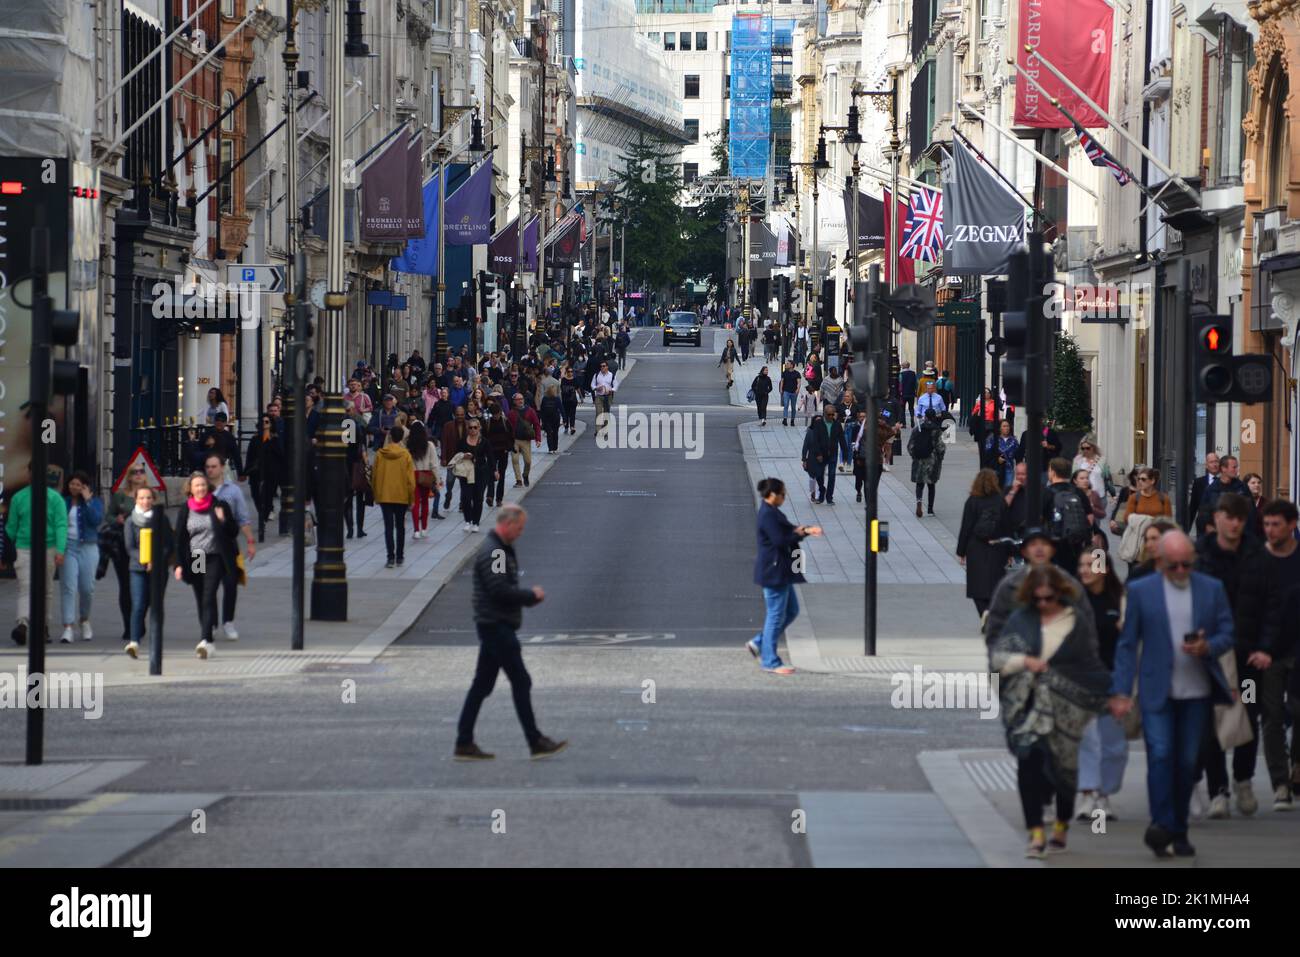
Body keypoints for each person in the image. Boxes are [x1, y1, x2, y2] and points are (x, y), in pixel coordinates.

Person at [1109, 530, 1236, 858]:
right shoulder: (1140, 591)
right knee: (1162, 756)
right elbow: (1126, 645)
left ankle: (1178, 828)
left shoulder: (1211, 588)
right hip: (1156, 691)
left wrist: (1208, 646)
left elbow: (1227, 632)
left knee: (1186, 763)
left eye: (1186, 564)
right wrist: (1121, 691)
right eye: (1174, 566)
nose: (1181, 571)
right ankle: (1162, 824)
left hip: (1197, 692)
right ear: (1160, 562)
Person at [990, 563, 1111, 857]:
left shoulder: (1076, 621)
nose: (1043, 604)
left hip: (1067, 707)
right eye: (1038, 599)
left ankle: (1061, 823)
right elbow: (999, 658)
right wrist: (1025, 662)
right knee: (1029, 766)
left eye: (1049, 598)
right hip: (1029, 705)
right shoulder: (1021, 619)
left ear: (1060, 594)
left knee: (1064, 771)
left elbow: (1090, 662)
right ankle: (1035, 833)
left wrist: (1111, 694)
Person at [453, 504, 566, 760]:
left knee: (482, 685)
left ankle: (464, 741)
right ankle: (535, 740)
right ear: (507, 523)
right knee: (521, 680)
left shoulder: (501, 549)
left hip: (493, 623)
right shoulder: (496, 554)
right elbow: (499, 590)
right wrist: (530, 596)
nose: (521, 533)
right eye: (519, 527)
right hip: (496, 625)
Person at [1193, 492, 1262, 818]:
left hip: (1248, 654)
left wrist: (1266, 645)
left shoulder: (1256, 554)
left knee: (1247, 714)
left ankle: (1244, 778)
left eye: (1239, 518)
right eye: (1228, 516)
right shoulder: (1200, 555)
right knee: (1211, 719)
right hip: (1212, 654)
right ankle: (1217, 788)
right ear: (1216, 518)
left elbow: (1271, 603)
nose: (1233, 523)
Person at [1235, 498, 1300, 811]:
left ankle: (1297, 766)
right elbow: (1249, 607)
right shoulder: (1257, 560)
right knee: (1271, 717)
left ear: (1292, 525)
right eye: (1267, 524)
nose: (1270, 530)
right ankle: (1280, 784)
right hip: (1268, 651)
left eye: (1276, 524)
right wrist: (1254, 647)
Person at [746, 478, 823, 675]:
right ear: (773, 495)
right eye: (782, 493)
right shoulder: (768, 515)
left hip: (780, 571)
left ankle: (759, 642)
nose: (784, 496)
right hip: (774, 571)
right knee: (776, 615)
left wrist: (804, 530)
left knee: (791, 611)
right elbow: (780, 539)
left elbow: (788, 529)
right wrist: (801, 533)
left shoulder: (772, 511)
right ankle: (770, 660)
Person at [1074, 549, 1128, 823]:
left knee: (1113, 744)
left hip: (1112, 679)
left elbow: (1128, 646)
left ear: (1104, 568)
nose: (1084, 570)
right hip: (1081, 681)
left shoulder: (1119, 601)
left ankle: (1104, 795)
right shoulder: (1073, 602)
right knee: (1086, 741)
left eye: (1090, 565)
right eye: (1081, 565)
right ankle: (1087, 793)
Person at [984, 527, 1096, 648]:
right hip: (1020, 659)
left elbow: (1086, 622)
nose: (1039, 549)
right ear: (1024, 552)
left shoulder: (1069, 584)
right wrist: (1000, 660)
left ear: (1053, 550)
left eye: (1044, 544)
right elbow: (995, 626)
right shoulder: (1009, 585)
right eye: (1033, 544)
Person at [173, 472, 240, 660]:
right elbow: (179, 539)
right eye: (197, 486)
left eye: (203, 485)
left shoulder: (219, 505)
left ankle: (205, 640)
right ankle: (208, 632)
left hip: (216, 556)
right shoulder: (186, 508)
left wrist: (223, 520)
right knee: (201, 596)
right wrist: (178, 564)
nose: (200, 489)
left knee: (209, 595)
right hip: (197, 556)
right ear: (190, 489)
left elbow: (234, 531)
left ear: (208, 486)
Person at [204, 452, 254, 642]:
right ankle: (212, 623)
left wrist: (250, 542)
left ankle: (228, 622)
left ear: (222, 467)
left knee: (230, 584)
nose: (210, 470)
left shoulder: (233, 491)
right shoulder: (201, 489)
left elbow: (243, 518)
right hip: (204, 548)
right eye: (208, 466)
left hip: (228, 546)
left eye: (214, 466)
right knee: (207, 587)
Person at [104, 461, 153, 645]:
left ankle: (139, 620)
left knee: (146, 589)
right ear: (129, 476)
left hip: (146, 545)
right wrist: (115, 519)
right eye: (134, 472)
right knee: (126, 587)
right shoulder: (120, 496)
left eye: (141, 471)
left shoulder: (150, 495)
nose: (138, 475)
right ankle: (128, 626)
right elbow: (107, 516)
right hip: (122, 547)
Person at [122, 485, 168, 659]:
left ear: (153, 500)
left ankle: (156, 641)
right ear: (136, 500)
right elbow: (129, 547)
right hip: (137, 569)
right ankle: (134, 642)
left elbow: (167, 544)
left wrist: (156, 560)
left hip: (158, 570)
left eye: (148, 498)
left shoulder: (161, 518)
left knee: (155, 605)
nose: (145, 501)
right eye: (141, 498)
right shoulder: (130, 521)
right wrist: (144, 559)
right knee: (139, 604)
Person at [957, 469, 1010, 619]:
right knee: (995, 581)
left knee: (976, 583)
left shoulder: (972, 501)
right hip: (996, 545)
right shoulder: (1000, 500)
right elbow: (1007, 526)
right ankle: (992, 612)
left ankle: (983, 612)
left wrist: (961, 552)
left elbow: (966, 527)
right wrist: (1009, 551)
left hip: (976, 546)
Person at [59, 472, 104, 643]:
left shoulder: (96, 502)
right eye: (72, 484)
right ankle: (68, 626)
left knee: (87, 587)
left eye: (78, 485)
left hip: (88, 547)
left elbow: (97, 520)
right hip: (68, 547)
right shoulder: (64, 502)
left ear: (85, 486)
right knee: (68, 587)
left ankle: (84, 619)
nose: (74, 487)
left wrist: (88, 500)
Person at [373, 424, 416, 569]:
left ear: (390, 436)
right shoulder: (406, 455)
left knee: (388, 527)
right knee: (400, 527)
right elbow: (410, 480)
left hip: (385, 494)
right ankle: (400, 556)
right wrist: (411, 498)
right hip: (401, 494)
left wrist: (377, 494)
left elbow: (375, 475)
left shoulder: (380, 454)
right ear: (402, 437)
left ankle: (390, 557)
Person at [1043, 457, 1095, 575]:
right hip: (1075, 541)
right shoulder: (1078, 492)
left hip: (1053, 543)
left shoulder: (1046, 492)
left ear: (1052, 472)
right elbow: (1090, 518)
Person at [243, 412, 285, 542]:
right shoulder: (255, 439)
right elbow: (250, 456)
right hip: (256, 472)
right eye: (262, 422)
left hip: (271, 473)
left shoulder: (275, 439)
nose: (264, 424)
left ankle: (263, 518)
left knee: (267, 496)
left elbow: (280, 455)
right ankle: (262, 514)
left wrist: (271, 440)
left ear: (270, 424)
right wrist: (244, 472)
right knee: (256, 495)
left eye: (267, 422)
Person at [451, 414, 496, 532]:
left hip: (481, 472)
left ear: (479, 428)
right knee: (466, 497)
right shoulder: (462, 442)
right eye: (470, 428)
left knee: (478, 498)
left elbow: (490, 457)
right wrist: (463, 455)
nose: (473, 430)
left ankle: (476, 522)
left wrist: (494, 471)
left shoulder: (484, 442)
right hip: (466, 472)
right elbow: (456, 455)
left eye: (475, 427)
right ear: (467, 429)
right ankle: (467, 520)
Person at [801, 405, 848, 506]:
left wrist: (845, 455)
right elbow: (815, 440)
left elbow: (842, 440)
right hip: (821, 454)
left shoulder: (837, 424)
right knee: (819, 475)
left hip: (833, 454)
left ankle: (829, 497)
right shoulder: (818, 423)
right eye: (829, 414)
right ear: (825, 414)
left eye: (833, 414)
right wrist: (818, 454)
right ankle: (822, 490)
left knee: (832, 475)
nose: (831, 416)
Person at [1193, 454, 1249, 535]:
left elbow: (1250, 512)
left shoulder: (1242, 488)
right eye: (1234, 467)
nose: (1237, 470)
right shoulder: (1211, 489)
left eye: (1237, 467)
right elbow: (1203, 516)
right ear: (1223, 469)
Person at [406, 421, 442, 539]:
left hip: (413, 474)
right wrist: (437, 479)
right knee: (425, 502)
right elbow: (434, 464)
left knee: (415, 503)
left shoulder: (408, 446)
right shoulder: (429, 445)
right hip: (426, 474)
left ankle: (416, 530)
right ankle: (424, 529)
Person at [908, 408, 946, 518]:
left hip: (919, 460)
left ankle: (919, 501)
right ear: (934, 417)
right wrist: (940, 458)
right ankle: (930, 509)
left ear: (925, 417)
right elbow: (941, 447)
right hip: (932, 461)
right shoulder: (936, 430)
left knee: (919, 484)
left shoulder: (917, 429)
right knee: (931, 485)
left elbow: (910, 446)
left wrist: (914, 456)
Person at [506, 392, 542, 489]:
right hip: (514, 440)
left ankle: (525, 475)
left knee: (528, 461)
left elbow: (536, 424)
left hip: (526, 440)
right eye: (518, 399)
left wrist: (538, 439)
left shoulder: (530, 411)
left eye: (521, 399)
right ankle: (518, 480)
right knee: (515, 459)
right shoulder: (511, 413)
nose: (520, 401)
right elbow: (507, 427)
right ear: (514, 401)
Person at [1127, 519, 1178, 583]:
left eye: (1154, 538)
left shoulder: (1184, 570)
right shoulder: (1139, 573)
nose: (1148, 545)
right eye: (1146, 540)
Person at [440, 405, 469, 512]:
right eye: (458, 415)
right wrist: (443, 458)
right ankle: (448, 495)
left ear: (464, 414)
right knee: (450, 480)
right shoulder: (448, 426)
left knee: (463, 482)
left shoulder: (469, 425)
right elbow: (444, 443)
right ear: (454, 415)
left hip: (464, 458)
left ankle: (462, 503)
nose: (460, 417)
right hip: (452, 457)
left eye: (462, 415)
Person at [1184, 452, 1221, 534]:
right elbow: (1193, 507)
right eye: (1211, 462)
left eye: (1216, 461)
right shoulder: (1198, 482)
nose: (1215, 464)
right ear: (1206, 465)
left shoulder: (1226, 481)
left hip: (1220, 527)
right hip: (1203, 527)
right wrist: (1186, 531)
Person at [1071, 434, 1111, 502]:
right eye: (1083, 448)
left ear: (1093, 447)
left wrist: (1113, 495)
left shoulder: (1102, 460)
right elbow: (1073, 477)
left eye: (1088, 448)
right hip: (1082, 496)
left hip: (1100, 496)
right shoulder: (1077, 460)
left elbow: (1108, 478)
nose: (1085, 450)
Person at [969, 388, 998, 467]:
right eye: (984, 393)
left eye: (987, 393)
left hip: (991, 426)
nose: (986, 394)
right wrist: (978, 413)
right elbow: (973, 414)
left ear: (990, 394)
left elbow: (997, 415)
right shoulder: (979, 403)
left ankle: (989, 463)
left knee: (990, 446)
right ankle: (983, 465)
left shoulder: (994, 403)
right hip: (981, 426)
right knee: (982, 447)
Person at [988, 420, 1018, 489]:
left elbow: (1018, 454)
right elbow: (988, 453)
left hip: (1009, 469)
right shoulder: (993, 439)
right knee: (997, 490)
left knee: (1007, 491)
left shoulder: (1014, 441)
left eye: (1007, 426)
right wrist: (997, 458)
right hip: (996, 469)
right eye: (1004, 426)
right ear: (1000, 428)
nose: (1006, 428)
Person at [539, 384, 563, 452]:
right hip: (550, 419)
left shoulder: (555, 398)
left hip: (551, 418)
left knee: (552, 433)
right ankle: (552, 448)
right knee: (552, 433)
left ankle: (553, 448)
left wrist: (564, 418)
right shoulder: (546, 398)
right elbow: (561, 409)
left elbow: (561, 408)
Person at [1243, 472, 1266, 539]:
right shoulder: (1241, 503)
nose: (1257, 485)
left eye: (1259, 483)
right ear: (1246, 485)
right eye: (1253, 483)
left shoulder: (1267, 503)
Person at [779, 360, 800, 427]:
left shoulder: (797, 373)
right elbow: (782, 381)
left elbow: (799, 382)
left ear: (791, 365)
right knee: (786, 405)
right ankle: (785, 419)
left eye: (788, 364)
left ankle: (792, 420)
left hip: (794, 392)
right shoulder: (785, 372)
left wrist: (797, 389)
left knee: (793, 407)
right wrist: (781, 389)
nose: (786, 364)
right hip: (786, 391)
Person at [559, 367, 579, 435]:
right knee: (566, 414)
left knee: (572, 414)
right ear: (566, 372)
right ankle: (566, 427)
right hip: (565, 400)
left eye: (571, 371)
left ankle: (572, 427)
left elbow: (578, 388)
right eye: (569, 371)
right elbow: (561, 389)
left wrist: (581, 397)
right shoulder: (563, 380)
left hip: (573, 400)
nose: (570, 373)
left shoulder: (575, 380)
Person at [900, 361, 918, 426]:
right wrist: (916, 391)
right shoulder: (913, 373)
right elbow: (916, 383)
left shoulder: (901, 374)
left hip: (903, 394)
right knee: (911, 408)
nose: (901, 367)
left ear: (904, 366)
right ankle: (912, 418)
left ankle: (903, 423)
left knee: (902, 409)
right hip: (911, 393)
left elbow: (900, 383)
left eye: (902, 366)